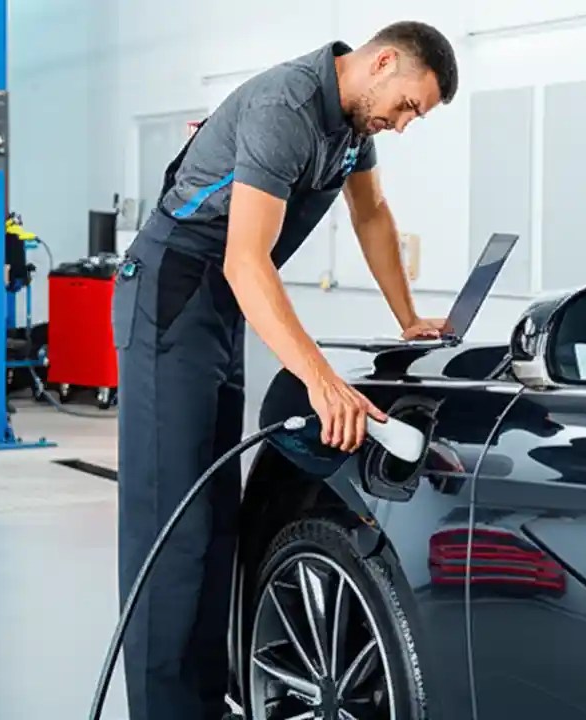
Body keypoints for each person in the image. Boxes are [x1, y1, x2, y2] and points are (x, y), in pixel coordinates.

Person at [112, 20, 459, 720]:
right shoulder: (287, 108)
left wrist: (407, 317)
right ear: (382, 62)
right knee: (169, 523)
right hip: (172, 292)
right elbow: (247, 259)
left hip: (220, 301)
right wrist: (321, 378)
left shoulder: (352, 128)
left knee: (214, 518)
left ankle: (204, 704)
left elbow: (374, 215)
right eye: (409, 106)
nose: (403, 124)